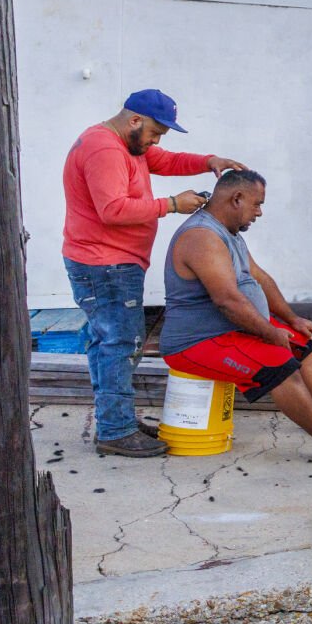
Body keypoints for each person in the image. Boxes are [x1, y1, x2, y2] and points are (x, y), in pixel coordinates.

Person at [63, 89, 247, 458]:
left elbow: (164, 160)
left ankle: (116, 421)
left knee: (108, 344)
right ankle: (116, 430)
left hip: (110, 262)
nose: (155, 142)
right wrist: (172, 205)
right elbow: (112, 210)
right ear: (135, 120)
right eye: (155, 132)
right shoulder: (105, 150)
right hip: (105, 265)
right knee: (120, 345)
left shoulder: (127, 144)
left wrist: (209, 160)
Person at [159, 170, 312, 465]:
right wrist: (267, 331)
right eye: (257, 204)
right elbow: (227, 301)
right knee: (277, 366)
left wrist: (291, 318)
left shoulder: (228, 232)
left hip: (228, 329)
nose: (260, 212)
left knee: (302, 338)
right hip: (196, 341)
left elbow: (259, 277)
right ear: (236, 198)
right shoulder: (201, 237)